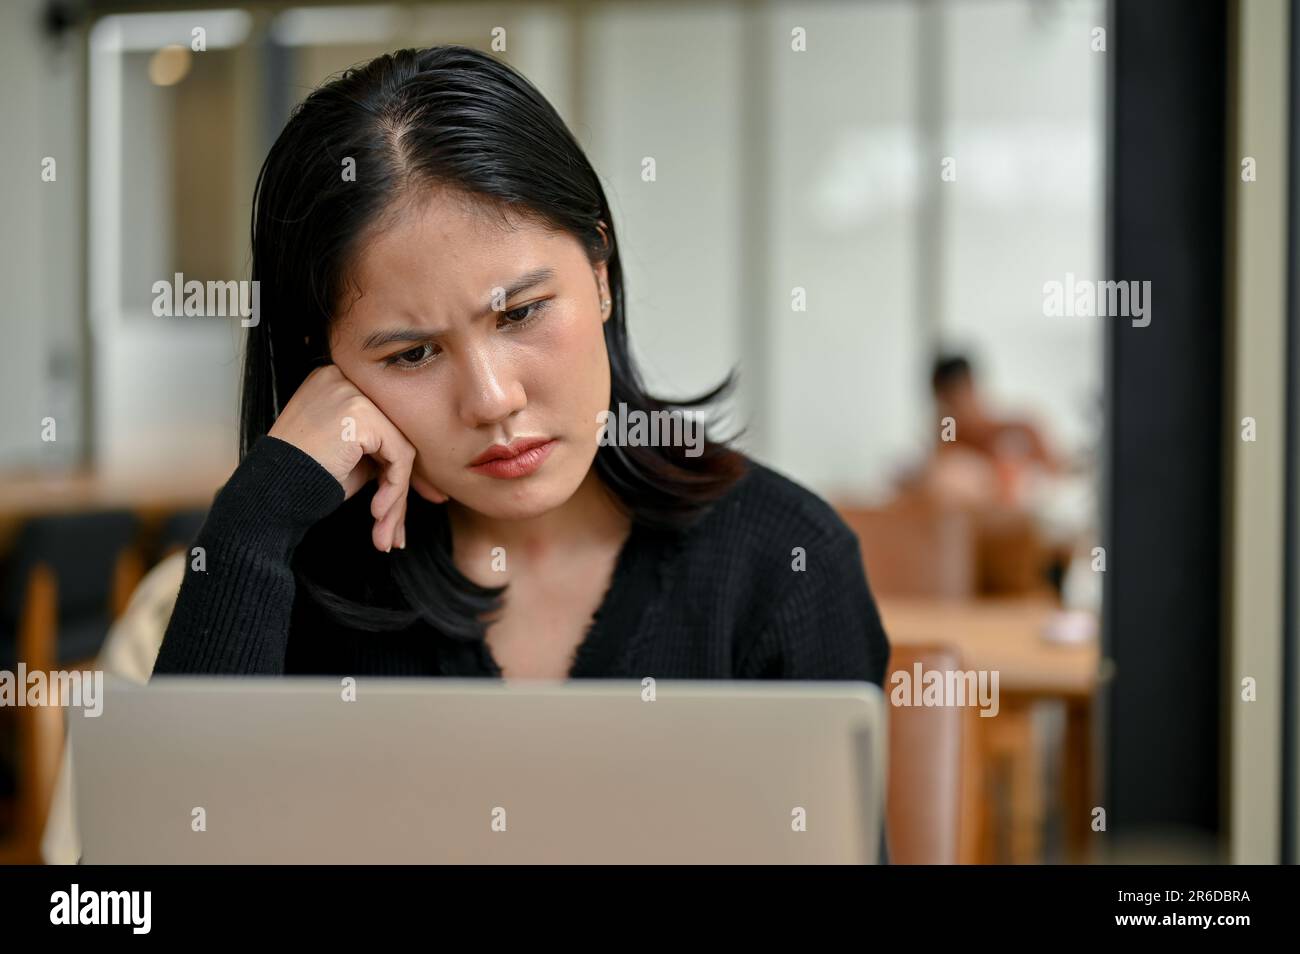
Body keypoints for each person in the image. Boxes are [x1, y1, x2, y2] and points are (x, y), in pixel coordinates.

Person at [150, 46, 890, 689]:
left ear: (600, 273)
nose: (493, 400)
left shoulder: (784, 563)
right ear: (329, 371)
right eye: (413, 354)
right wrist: (255, 517)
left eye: (521, 313)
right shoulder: (296, 575)